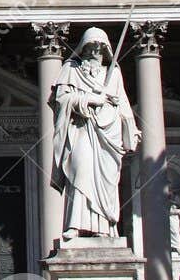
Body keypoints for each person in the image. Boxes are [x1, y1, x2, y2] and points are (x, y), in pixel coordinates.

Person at [50, 27, 139, 240]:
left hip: (106, 134)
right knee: (79, 169)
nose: (94, 53)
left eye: (99, 50)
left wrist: (131, 129)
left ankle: (104, 227)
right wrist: (89, 99)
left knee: (106, 181)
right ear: (82, 49)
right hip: (81, 130)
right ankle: (74, 224)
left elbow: (124, 105)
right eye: (90, 48)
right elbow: (61, 100)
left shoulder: (113, 73)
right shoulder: (71, 69)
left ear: (106, 51)